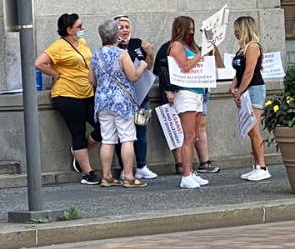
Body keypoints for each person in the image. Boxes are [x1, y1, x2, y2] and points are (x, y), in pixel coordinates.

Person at [35, 14, 104, 185]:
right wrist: (56, 74)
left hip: (87, 91)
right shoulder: (58, 46)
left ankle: (79, 153)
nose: (82, 29)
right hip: (67, 93)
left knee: (103, 127)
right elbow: (39, 63)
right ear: (69, 30)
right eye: (79, 26)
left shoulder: (82, 42)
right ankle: (87, 172)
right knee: (77, 131)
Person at [88, 20, 151, 188]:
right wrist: (143, 65)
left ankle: (106, 176)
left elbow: (91, 80)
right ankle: (129, 177)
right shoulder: (121, 54)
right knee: (127, 138)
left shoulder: (96, 54)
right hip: (122, 102)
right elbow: (133, 76)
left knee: (107, 140)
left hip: (102, 101)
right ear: (116, 35)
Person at [167, 16, 211, 189]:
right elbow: (185, 66)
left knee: (195, 135)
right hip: (186, 92)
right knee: (189, 136)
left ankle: (190, 171)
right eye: (189, 29)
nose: (192, 32)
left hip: (199, 91)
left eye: (193, 29)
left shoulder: (190, 46)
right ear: (181, 29)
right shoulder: (177, 45)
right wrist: (201, 54)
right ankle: (186, 175)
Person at [112, 16, 158, 180]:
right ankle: (126, 168)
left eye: (127, 27)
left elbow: (148, 66)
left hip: (142, 95)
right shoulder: (113, 46)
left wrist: (149, 55)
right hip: (123, 98)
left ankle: (142, 166)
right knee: (123, 135)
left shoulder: (137, 43)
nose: (125, 30)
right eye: (121, 27)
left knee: (142, 131)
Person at [231, 16, 272, 180]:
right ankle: (256, 165)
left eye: (238, 29)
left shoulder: (253, 46)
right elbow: (239, 72)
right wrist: (233, 86)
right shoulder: (241, 49)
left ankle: (262, 166)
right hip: (244, 89)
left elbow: (249, 73)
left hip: (253, 88)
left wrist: (239, 91)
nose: (235, 33)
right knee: (249, 129)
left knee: (253, 129)